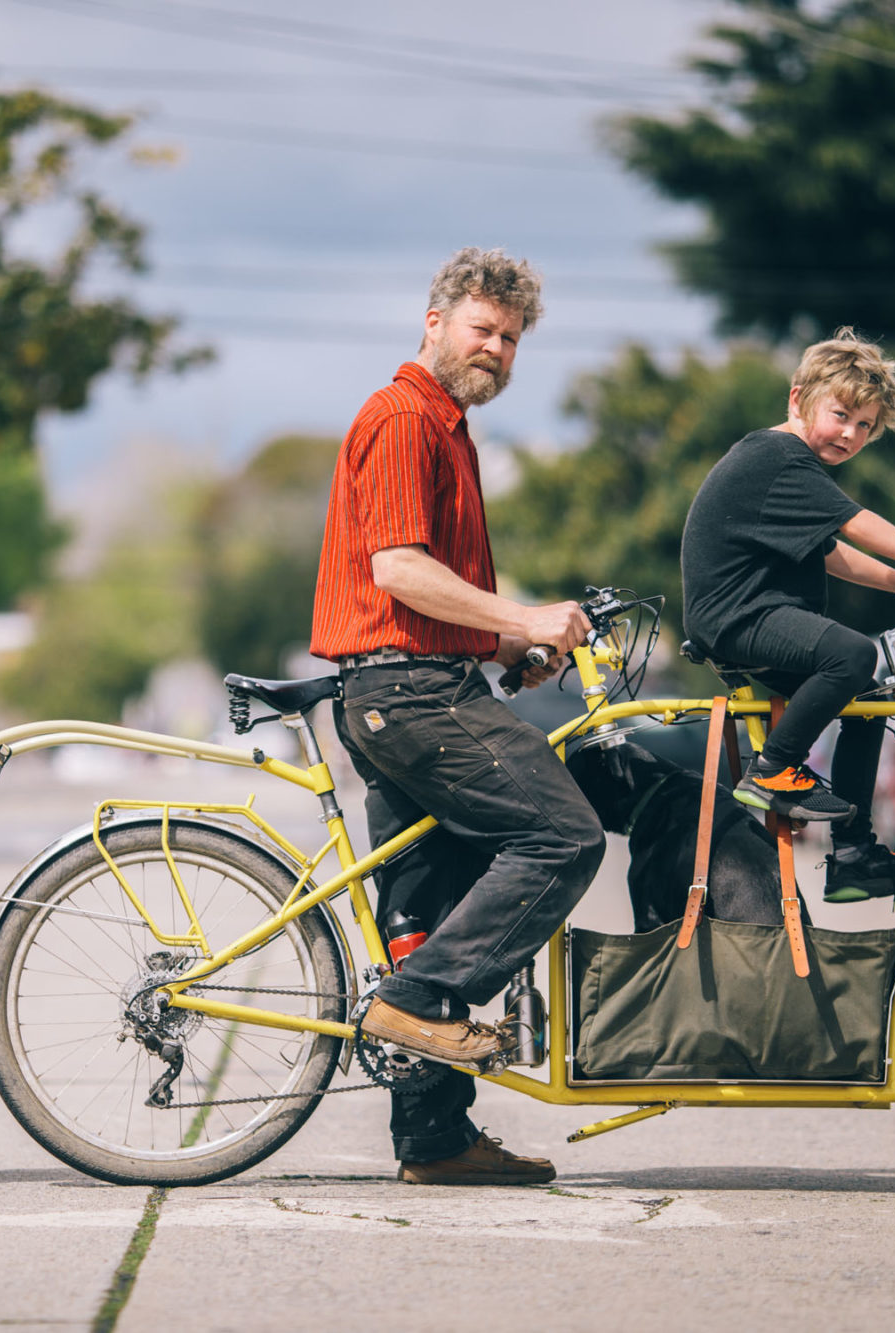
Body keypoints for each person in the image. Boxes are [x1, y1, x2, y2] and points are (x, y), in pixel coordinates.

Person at [311, 247, 605, 1186]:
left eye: (512, 339)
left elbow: (428, 594)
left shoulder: (447, 427)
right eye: (483, 329)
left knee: (423, 908)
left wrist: (505, 650)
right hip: (407, 695)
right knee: (564, 836)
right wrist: (520, 614)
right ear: (433, 323)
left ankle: (433, 1139)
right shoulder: (404, 418)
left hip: (415, 683)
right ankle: (416, 998)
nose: (498, 349)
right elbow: (397, 570)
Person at [680, 328, 895, 902]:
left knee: (867, 692)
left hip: (749, 612)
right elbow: (853, 523)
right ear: (798, 400)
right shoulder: (777, 455)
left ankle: (853, 851)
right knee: (853, 652)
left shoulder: (790, 472)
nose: (851, 434)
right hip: (735, 615)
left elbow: (831, 552)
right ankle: (773, 770)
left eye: (865, 426)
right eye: (841, 415)